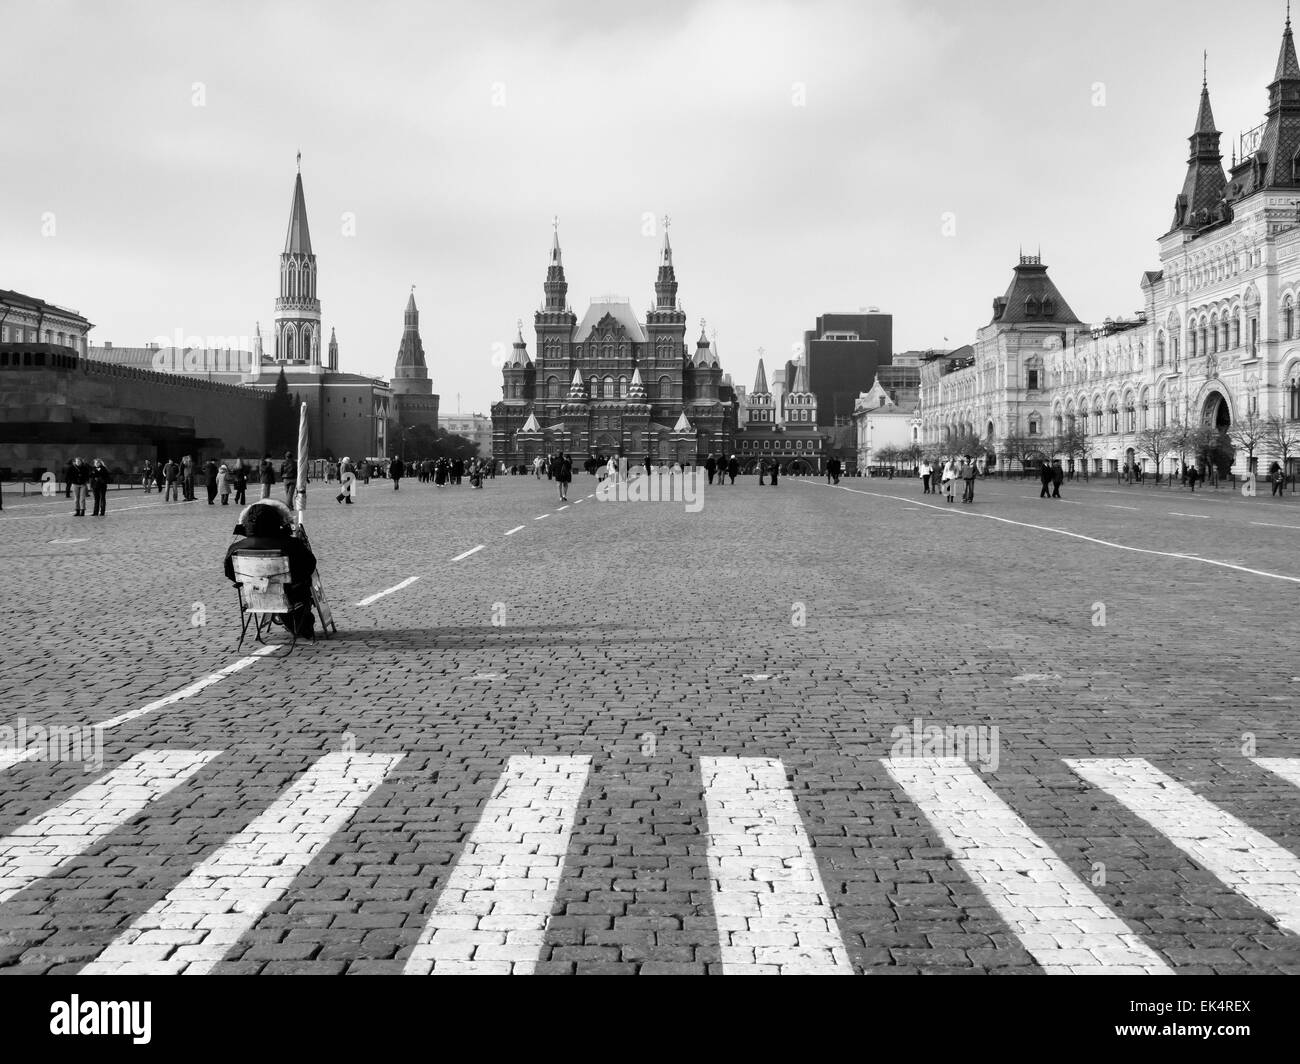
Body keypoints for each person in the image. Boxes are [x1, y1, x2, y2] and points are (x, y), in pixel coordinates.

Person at [224, 501, 317, 638]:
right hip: (289, 596)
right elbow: (309, 566)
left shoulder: (236, 548)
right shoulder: (291, 544)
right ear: (277, 522)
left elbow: (230, 573)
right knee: (301, 585)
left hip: (255, 595)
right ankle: (301, 624)